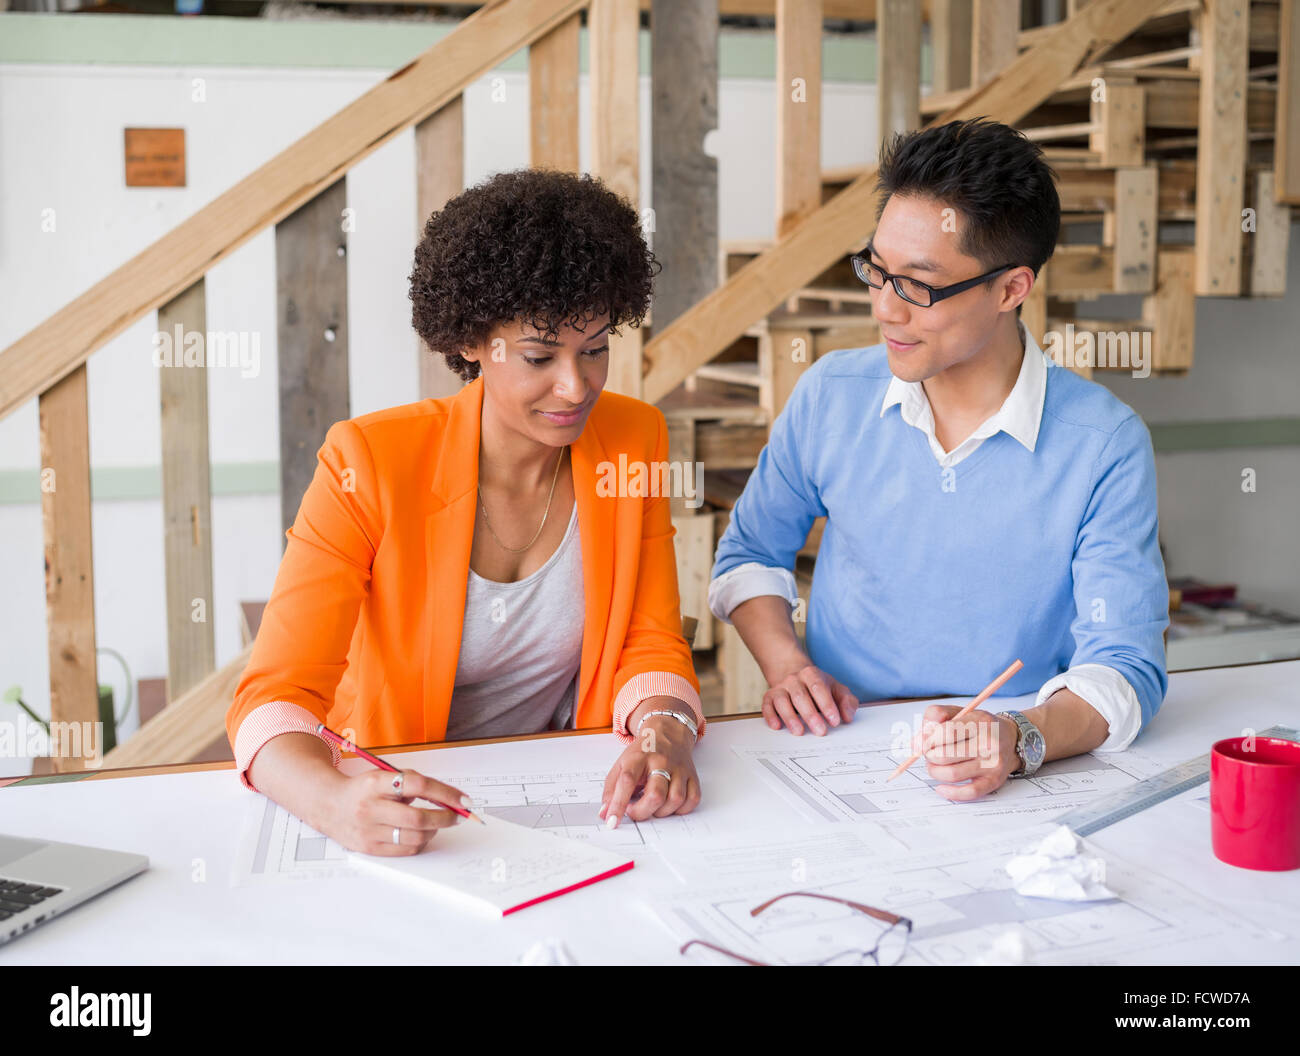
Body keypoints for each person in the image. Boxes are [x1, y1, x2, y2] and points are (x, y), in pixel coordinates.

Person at [225, 168, 704, 855]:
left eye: (595, 349)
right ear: (472, 341)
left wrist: (666, 731)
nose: (576, 386)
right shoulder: (368, 459)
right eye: (540, 356)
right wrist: (334, 803)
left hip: (562, 805)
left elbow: (649, 640)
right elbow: (276, 693)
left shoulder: (634, 439)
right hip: (397, 794)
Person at [710, 118, 1169, 801]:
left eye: (919, 287)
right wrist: (786, 666)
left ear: (1012, 288)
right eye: (877, 271)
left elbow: (1125, 664)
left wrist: (1021, 738)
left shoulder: (1104, 443)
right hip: (841, 747)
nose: (886, 311)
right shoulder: (832, 394)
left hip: (1016, 762)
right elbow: (749, 554)